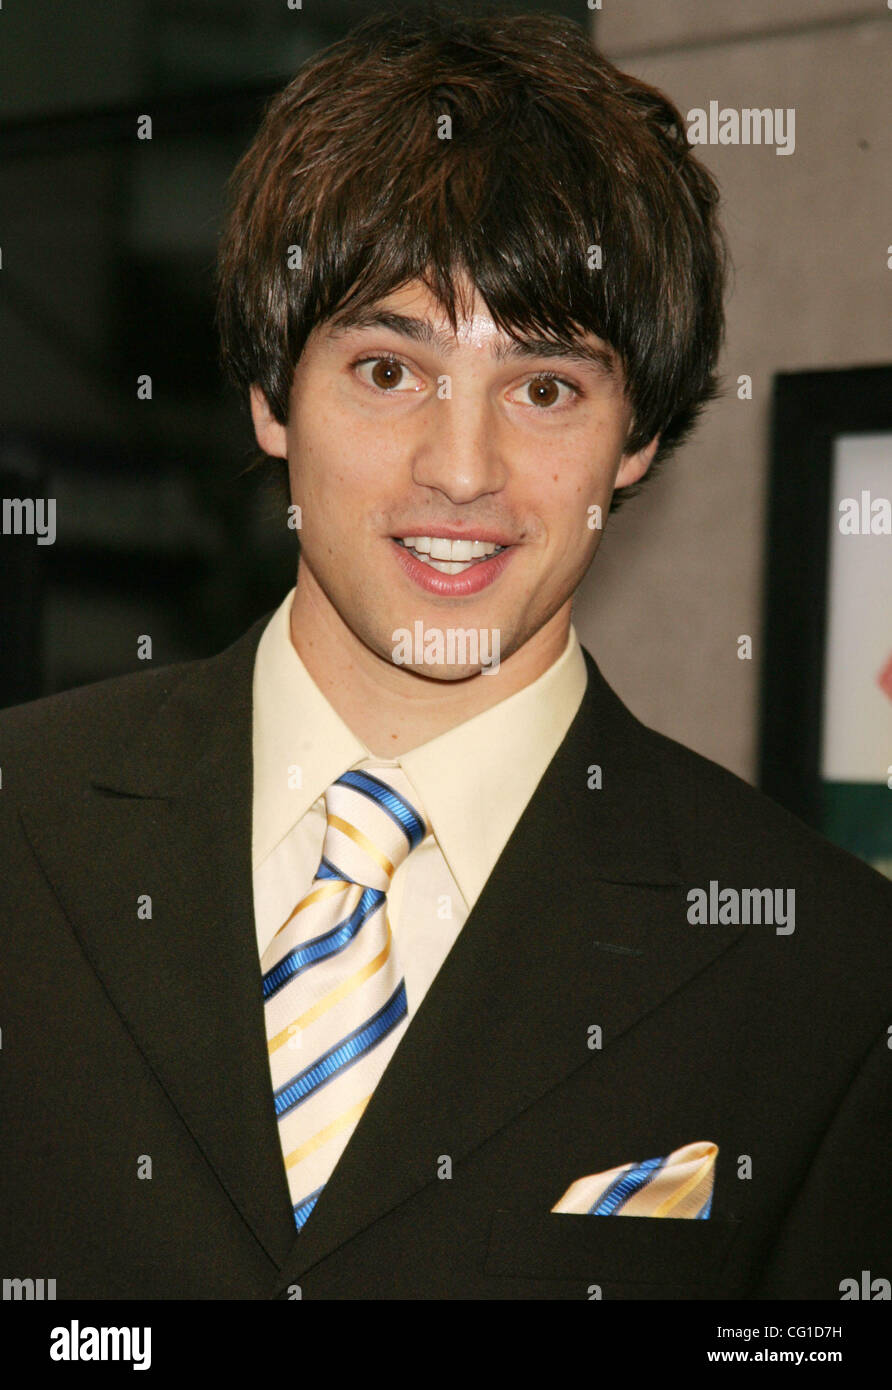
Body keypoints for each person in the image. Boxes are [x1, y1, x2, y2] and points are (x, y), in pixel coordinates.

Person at [1, 6, 889, 1302]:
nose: (461, 471)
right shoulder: (20, 819)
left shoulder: (831, 971)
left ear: (636, 433)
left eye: (544, 387)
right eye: (385, 368)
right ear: (268, 395)